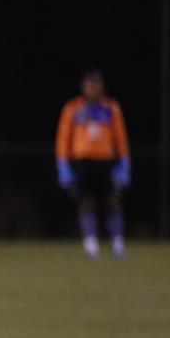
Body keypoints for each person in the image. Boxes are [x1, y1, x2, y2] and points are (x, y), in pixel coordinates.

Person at [54, 69, 131, 259]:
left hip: (105, 162)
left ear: (102, 87)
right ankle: (91, 244)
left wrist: (124, 162)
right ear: (83, 87)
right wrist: (62, 164)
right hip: (82, 162)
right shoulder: (73, 108)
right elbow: (63, 138)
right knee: (86, 201)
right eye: (89, 85)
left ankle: (117, 243)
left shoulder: (111, 108)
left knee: (113, 200)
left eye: (96, 85)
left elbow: (120, 137)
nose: (92, 89)